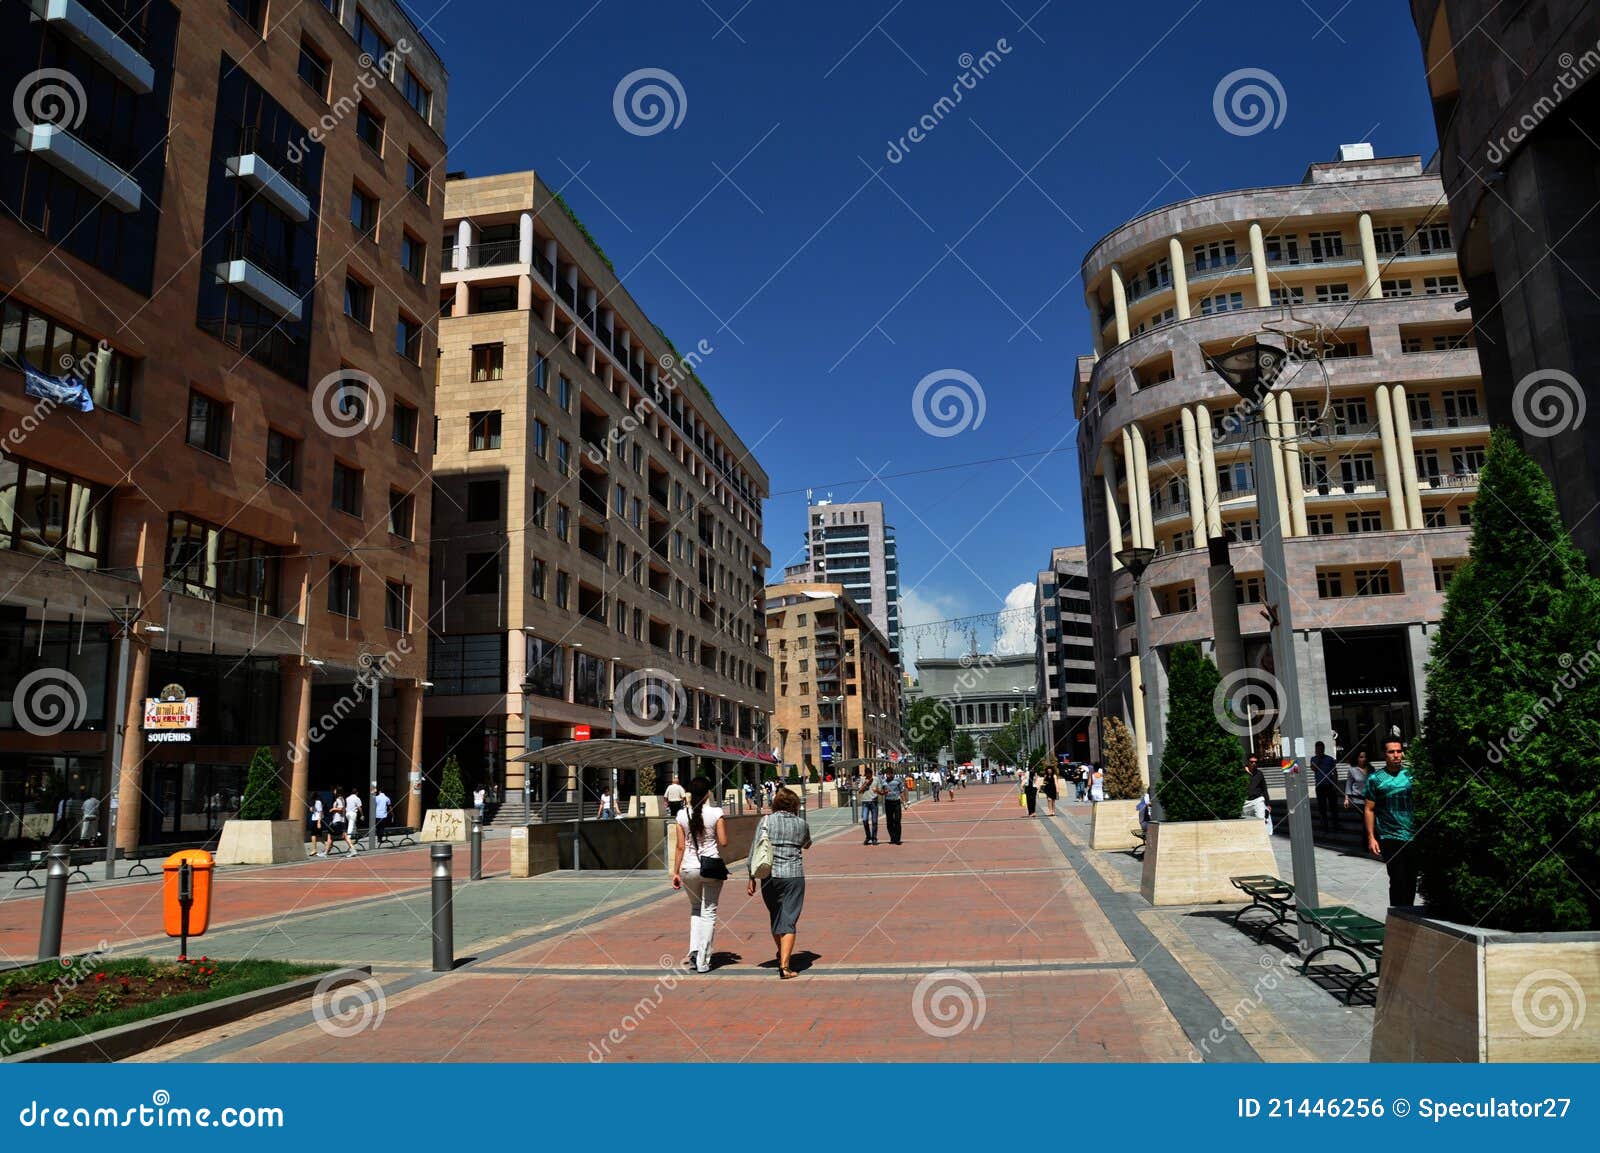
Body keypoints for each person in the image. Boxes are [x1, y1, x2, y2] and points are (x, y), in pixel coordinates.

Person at [748, 787, 811, 979]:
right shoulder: (801, 823)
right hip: (793, 875)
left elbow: (754, 849)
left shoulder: (766, 821)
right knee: (789, 919)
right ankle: (785, 967)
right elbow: (807, 843)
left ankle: (782, 953)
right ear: (794, 805)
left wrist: (751, 877)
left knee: (776, 916)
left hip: (769, 875)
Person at [672, 776, 726, 973]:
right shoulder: (716, 813)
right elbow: (724, 841)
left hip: (688, 868)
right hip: (710, 866)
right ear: (708, 793)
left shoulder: (681, 815)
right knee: (709, 912)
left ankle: (694, 952)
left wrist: (675, 872)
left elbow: (679, 846)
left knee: (696, 909)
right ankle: (703, 960)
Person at [1364, 737, 1417, 907]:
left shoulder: (1411, 775)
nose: (1396, 755)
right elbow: (1369, 809)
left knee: (1411, 880)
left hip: (1412, 835)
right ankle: (1398, 916)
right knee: (1397, 879)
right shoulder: (1375, 779)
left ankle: (1409, 915)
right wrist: (1371, 837)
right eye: (1391, 752)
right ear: (1384, 755)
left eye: (1399, 751)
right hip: (1389, 836)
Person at [1311, 741, 1340, 834]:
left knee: (1333, 806)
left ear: (1323, 749)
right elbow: (1313, 769)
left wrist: (1335, 783)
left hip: (1329, 785)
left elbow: (1335, 772)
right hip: (1320, 786)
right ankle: (1325, 826)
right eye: (1317, 749)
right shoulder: (1313, 759)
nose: (1319, 750)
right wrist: (1319, 759)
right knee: (1322, 807)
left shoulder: (1330, 759)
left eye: (1321, 749)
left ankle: (1335, 825)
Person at [1242, 756, 1270, 828]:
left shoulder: (1259, 774)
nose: (1254, 763)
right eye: (1252, 762)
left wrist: (1267, 804)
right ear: (1248, 762)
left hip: (1257, 800)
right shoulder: (1241, 773)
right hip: (1244, 802)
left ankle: (1263, 836)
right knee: (1244, 823)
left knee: (1261, 820)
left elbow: (1264, 788)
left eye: (1256, 762)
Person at [882, 767, 905, 844]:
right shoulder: (884, 782)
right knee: (889, 821)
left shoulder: (898, 781)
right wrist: (884, 792)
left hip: (897, 802)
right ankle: (892, 837)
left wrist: (904, 802)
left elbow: (901, 791)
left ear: (892, 774)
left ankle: (897, 839)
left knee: (897, 821)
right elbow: (882, 792)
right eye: (886, 774)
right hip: (888, 802)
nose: (887, 776)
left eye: (889, 774)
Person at [1344, 748, 1370, 813]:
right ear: (1357, 758)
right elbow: (1348, 785)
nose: (1364, 759)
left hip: (1370, 800)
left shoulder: (1371, 769)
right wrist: (1346, 799)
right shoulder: (1352, 770)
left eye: (1365, 757)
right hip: (1358, 800)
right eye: (1361, 757)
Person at [858, 768, 880, 845]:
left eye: (869, 775)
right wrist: (865, 783)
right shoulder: (862, 779)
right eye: (866, 774)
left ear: (872, 774)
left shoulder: (876, 779)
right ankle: (868, 836)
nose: (868, 776)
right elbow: (860, 791)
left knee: (874, 821)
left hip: (874, 802)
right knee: (864, 820)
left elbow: (880, 790)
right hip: (865, 802)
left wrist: (877, 790)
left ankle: (874, 838)